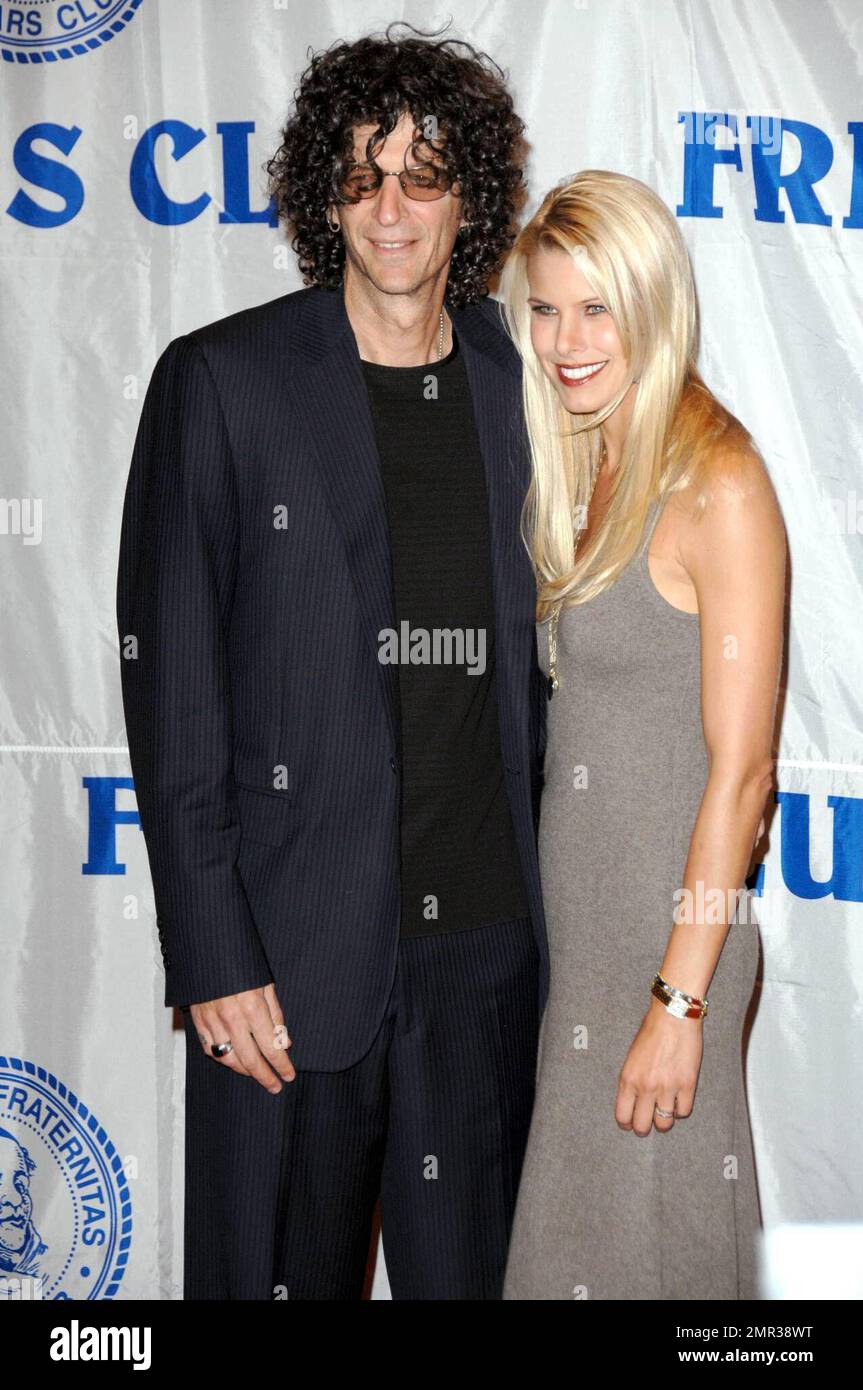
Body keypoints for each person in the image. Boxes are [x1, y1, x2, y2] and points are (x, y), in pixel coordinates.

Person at [116, 24, 549, 1300]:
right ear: (323, 193)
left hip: (479, 960)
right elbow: (172, 689)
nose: (392, 209)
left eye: (422, 173)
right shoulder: (222, 381)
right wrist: (212, 955)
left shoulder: (515, 382)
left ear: (468, 192)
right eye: (361, 177)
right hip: (287, 964)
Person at [498, 170, 786, 1300]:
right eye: (544, 308)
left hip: (668, 961)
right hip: (583, 964)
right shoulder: (581, 460)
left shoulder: (720, 483)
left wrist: (677, 1004)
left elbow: (744, 774)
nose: (564, 342)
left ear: (653, 305)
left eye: (594, 309)